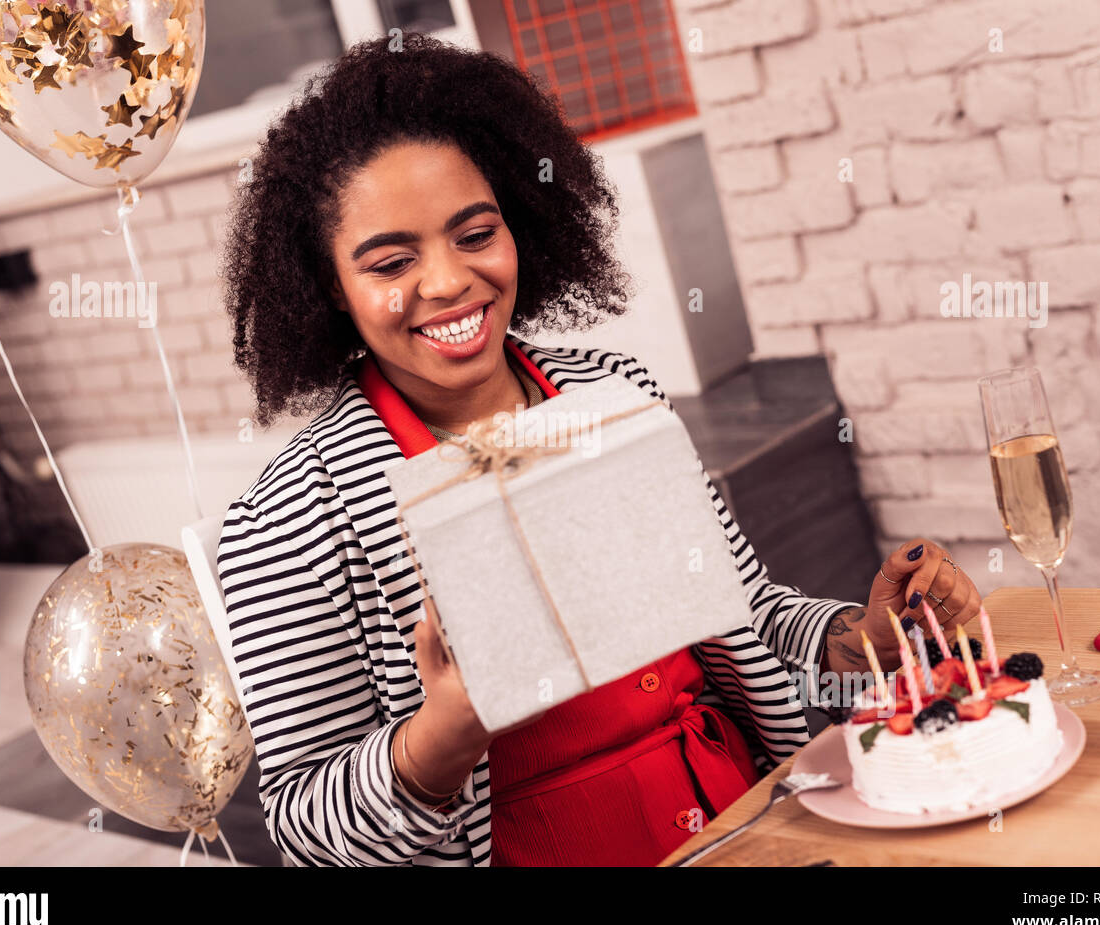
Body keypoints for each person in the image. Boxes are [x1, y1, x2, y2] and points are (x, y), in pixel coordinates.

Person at [216, 33, 982, 866]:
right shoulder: (289, 516)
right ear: (329, 285)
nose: (446, 282)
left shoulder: (614, 396)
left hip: (748, 824)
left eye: (475, 234)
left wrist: (862, 638)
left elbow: (747, 615)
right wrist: (439, 739)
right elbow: (301, 828)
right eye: (393, 260)